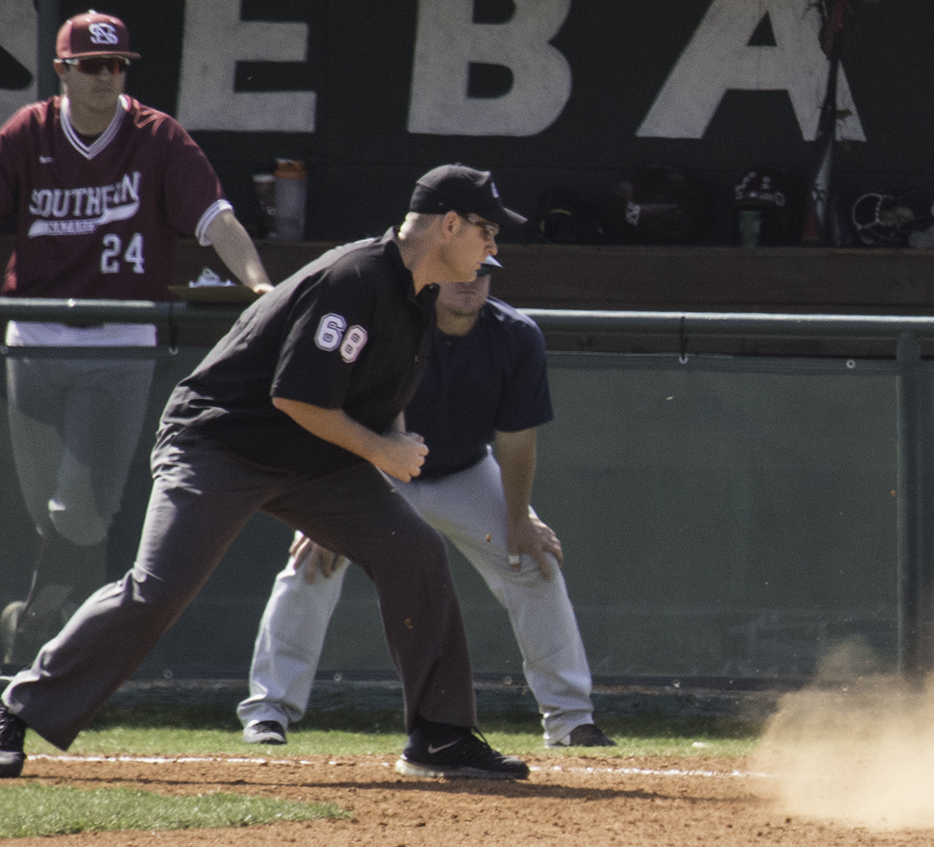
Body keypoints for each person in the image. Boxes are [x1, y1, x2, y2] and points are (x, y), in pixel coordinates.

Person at [0, 164, 532, 782]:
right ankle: (15, 707)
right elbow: (296, 396)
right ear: (449, 225)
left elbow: (378, 400)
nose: (493, 246)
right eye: (487, 230)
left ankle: (440, 736)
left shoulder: (417, 296)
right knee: (161, 586)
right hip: (220, 443)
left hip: (315, 461)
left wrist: (366, 482)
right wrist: (382, 453)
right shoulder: (354, 279)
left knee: (412, 549)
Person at [236, 264, 615, 749]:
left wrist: (520, 519)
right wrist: (321, 509)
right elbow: (333, 409)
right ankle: (268, 711)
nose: (471, 280)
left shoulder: (515, 335)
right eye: (460, 270)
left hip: (465, 471)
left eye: (483, 271)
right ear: (433, 275)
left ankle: (570, 720)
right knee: (312, 561)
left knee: (534, 560)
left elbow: (517, 438)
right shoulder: (393, 322)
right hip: (373, 466)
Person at [0, 10, 273, 665]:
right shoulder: (28, 132)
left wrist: (262, 285)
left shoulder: (156, 136)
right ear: (62, 70)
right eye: (92, 65)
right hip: (32, 341)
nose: (105, 76)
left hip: (119, 345)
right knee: (48, 513)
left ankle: (39, 637)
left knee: (84, 511)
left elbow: (217, 220)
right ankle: (50, 633)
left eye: (117, 65)